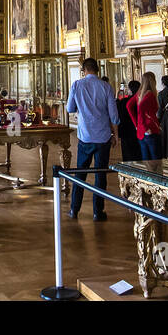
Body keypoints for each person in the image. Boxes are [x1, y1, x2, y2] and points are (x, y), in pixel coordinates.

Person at [64, 57, 118, 221]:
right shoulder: (106, 87)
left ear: (84, 70)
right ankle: (97, 211)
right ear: (97, 70)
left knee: (80, 173)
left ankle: (74, 209)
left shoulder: (77, 85)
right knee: (100, 175)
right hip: (102, 138)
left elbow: (69, 108)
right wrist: (116, 135)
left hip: (85, 137)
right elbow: (114, 115)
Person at [126, 71, 162, 162]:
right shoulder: (150, 94)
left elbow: (129, 106)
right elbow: (141, 109)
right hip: (150, 129)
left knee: (146, 159)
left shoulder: (139, 93)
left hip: (141, 131)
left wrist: (137, 124)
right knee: (156, 160)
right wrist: (145, 127)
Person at [115, 80, 141, 163]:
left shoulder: (124, 102)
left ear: (129, 90)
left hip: (126, 131)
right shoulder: (141, 101)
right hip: (138, 131)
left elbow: (118, 114)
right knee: (138, 154)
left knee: (127, 154)